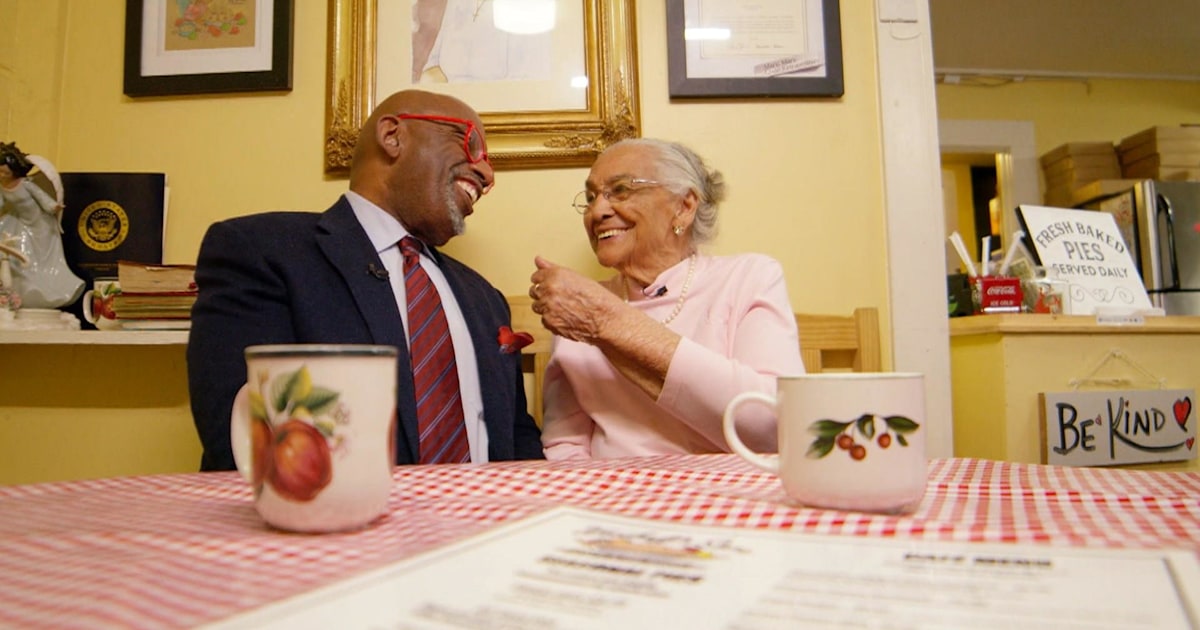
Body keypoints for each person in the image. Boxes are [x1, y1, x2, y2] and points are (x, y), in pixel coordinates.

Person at [187, 89, 543, 471]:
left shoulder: (484, 297)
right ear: (393, 136)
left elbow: (519, 437)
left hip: (493, 522)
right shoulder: (261, 252)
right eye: (469, 144)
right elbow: (241, 438)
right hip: (334, 524)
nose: (487, 175)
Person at [528, 138, 806, 459]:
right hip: (611, 497)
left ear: (684, 206)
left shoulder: (749, 277)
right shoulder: (577, 308)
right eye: (591, 197)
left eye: (620, 190)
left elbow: (775, 427)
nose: (597, 211)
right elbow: (566, 444)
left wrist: (606, 322)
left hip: (727, 496)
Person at [0, 142, 85, 309]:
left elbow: (42, 198)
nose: (2, 175)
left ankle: (47, 288)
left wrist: (54, 207)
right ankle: (21, 289)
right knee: (17, 252)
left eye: (5, 171)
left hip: (39, 223)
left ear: (14, 170)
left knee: (39, 257)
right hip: (20, 222)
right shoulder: (2, 187)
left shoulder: (25, 184)